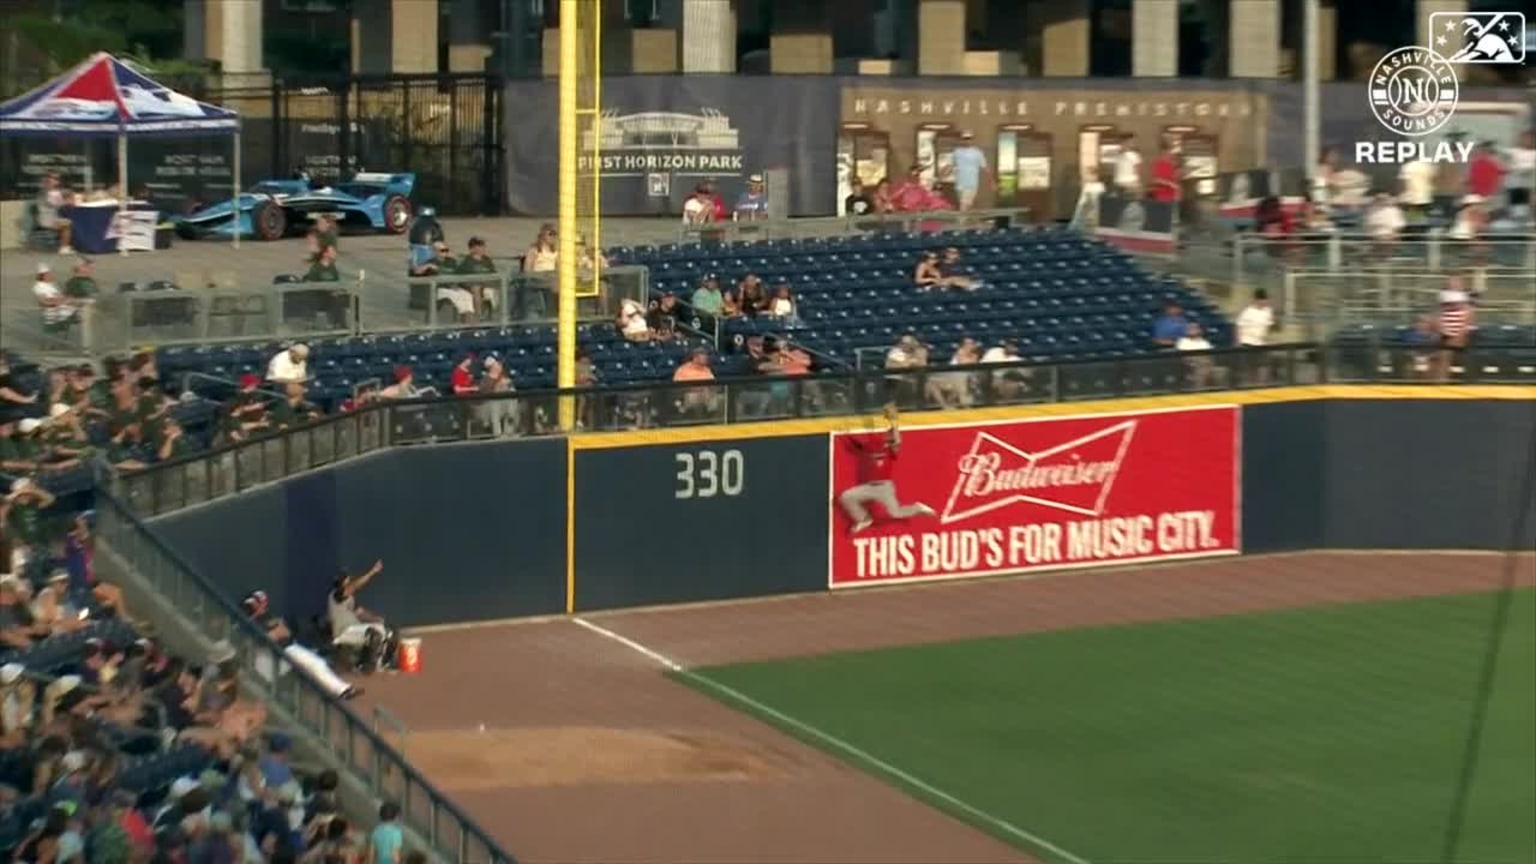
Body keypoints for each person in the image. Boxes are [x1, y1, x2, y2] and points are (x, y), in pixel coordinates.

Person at [243, 590, 359, 701]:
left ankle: (343, 690)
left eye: (262, 601)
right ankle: (343, 690)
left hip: (288, 648)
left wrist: (277, 632)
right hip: (274, 654)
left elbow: (286, 632)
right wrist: (275, 633)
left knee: (317, 661)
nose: (263, 604)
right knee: (315, 663)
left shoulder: (269, 615)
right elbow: (264, 639)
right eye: (259, 602)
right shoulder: (253, 620)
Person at [837, 404, 935, 534]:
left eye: (889, 434)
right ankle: (864, 519)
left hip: (885, 488)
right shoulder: (870, 446)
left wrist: (894, 422)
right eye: (886, 433)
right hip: (869, 487)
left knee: (896, 513)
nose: (887, 436)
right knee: (846, 497)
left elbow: (897, 440)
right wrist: (844, 432)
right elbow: (854, 445)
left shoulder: (890, 449)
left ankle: (917, 508)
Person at [328, 560, 396, 673]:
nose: (348, 580)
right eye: (346, 579)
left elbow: (359, 612)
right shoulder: (336, 595)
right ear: (343, 582)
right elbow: (354, 586)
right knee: (373, 635)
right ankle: (365, 666)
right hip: (343, 632)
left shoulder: (348, 598)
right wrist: (372, 572)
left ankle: (385, 663)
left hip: (355, 629)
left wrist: (375, 619)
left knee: (389, 631)